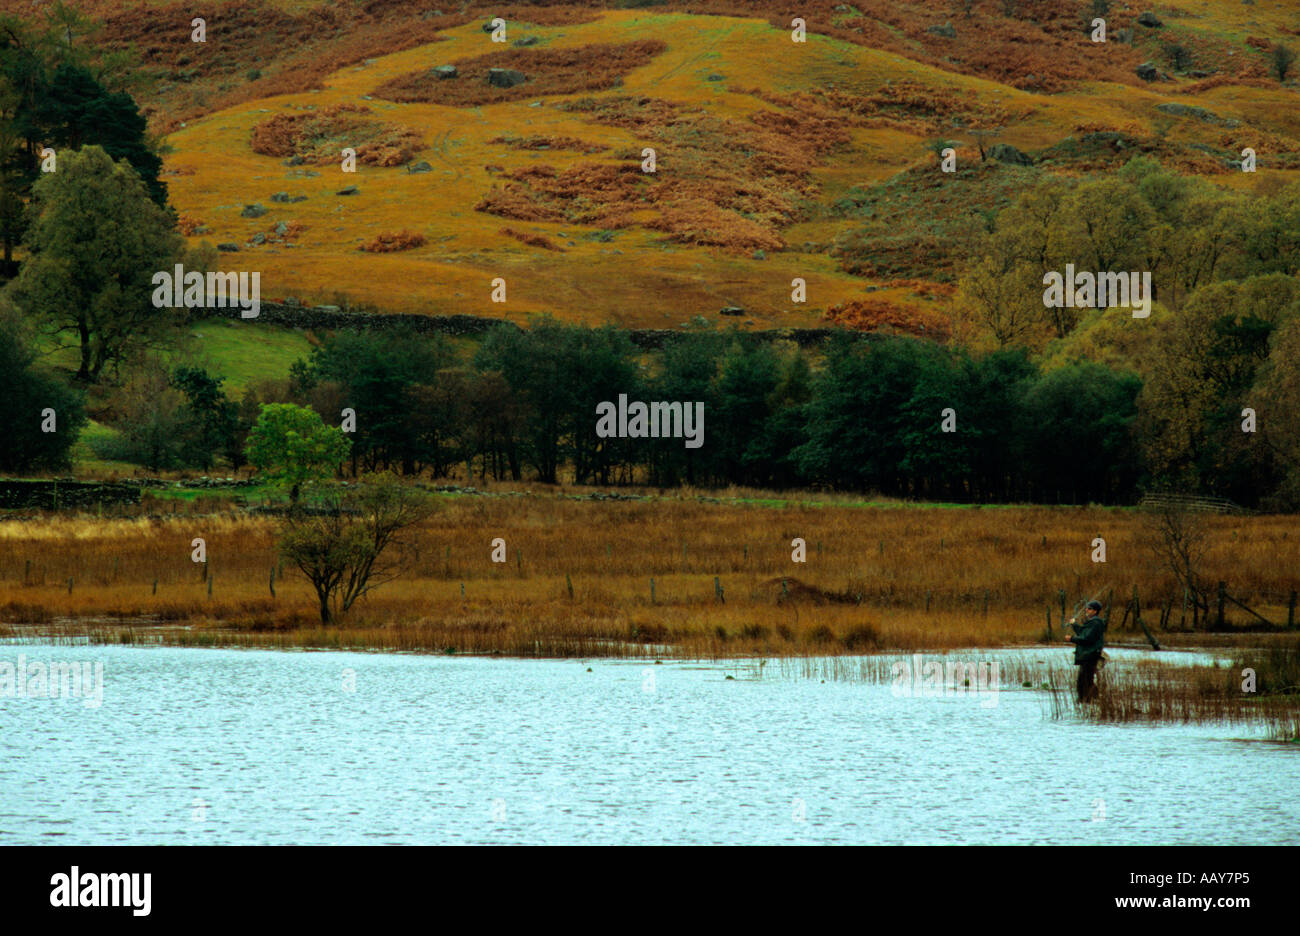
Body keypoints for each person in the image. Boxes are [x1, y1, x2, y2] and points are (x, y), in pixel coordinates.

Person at [1065, 600, 1107, 702]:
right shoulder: (1092, 623)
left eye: (1090, 608)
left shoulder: (1095, 623)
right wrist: (1074, 624)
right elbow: (1083, 633)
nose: (1086, 610)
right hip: (1087, 656)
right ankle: (1090, 701)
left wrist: (1072, 639)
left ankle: (1088, 700)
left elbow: (1087, 639)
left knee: (1084, 681)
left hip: (1090, 656)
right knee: (1086, 680)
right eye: (1087, 608)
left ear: (1095, 611)